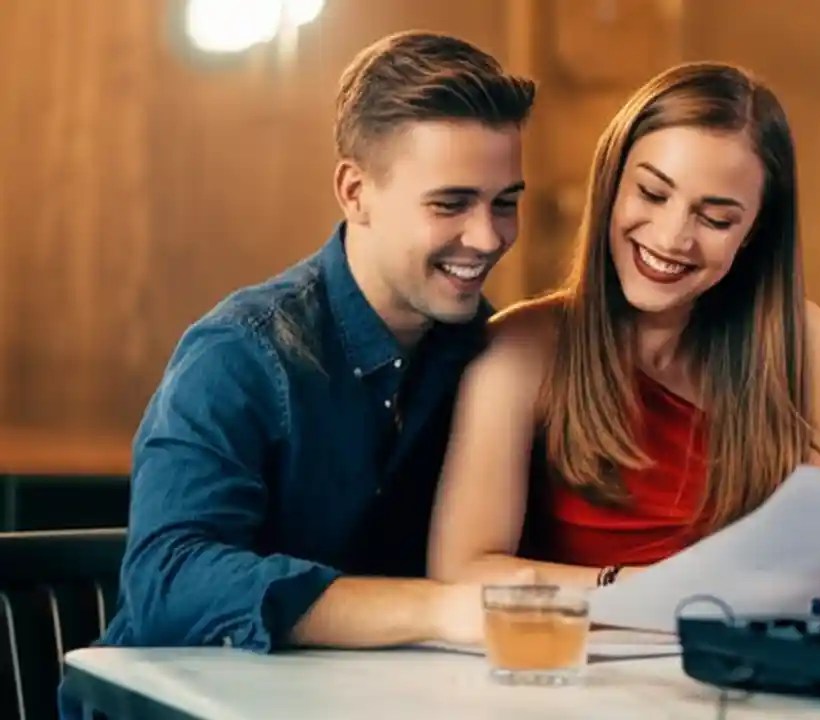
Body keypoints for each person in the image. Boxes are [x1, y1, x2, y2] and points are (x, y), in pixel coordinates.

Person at [95, 32, 536, 654]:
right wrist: (437, 609)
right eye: (451, 204)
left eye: (505, 203)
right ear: (355, 192)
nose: (488, 238)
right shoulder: (239, 353)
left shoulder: (489, 358)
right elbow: (168, 582)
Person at [428, 62, 820, 588]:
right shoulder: (522, 349)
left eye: (717, 219)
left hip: (746, 663)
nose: (673, 237)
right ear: (611, 185)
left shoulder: (801, 340)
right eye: (652, 194)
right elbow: (462, 570)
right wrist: (635, 587)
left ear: (753, 232)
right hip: (579, 661)